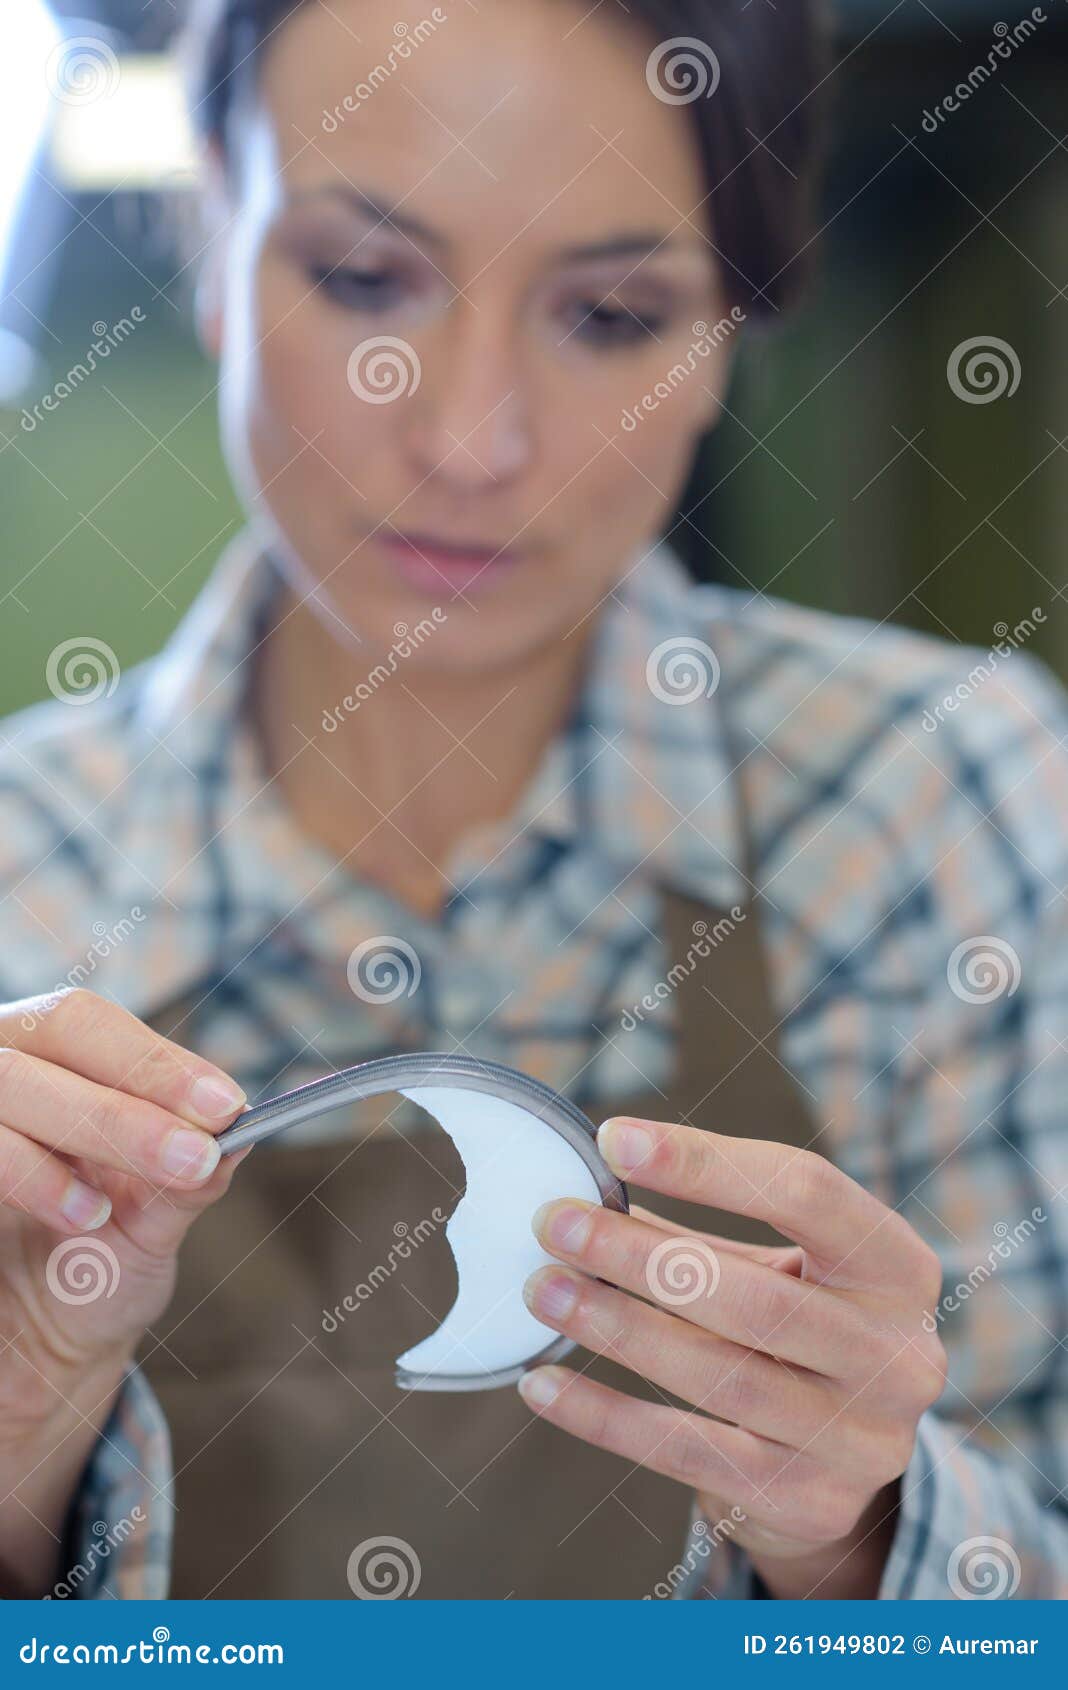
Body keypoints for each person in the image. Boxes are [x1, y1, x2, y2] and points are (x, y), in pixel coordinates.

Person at [0, 0, 1065, 1602]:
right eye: (365, 280)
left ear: (731, 329)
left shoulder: (943, 799)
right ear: (212, 230)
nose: (471, 436)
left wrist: (865, 1527)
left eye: (614, 313)